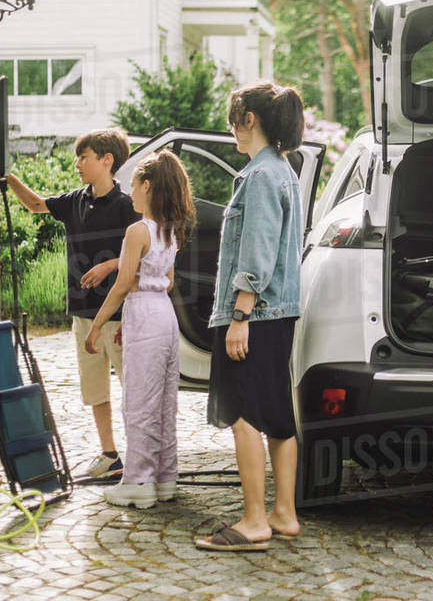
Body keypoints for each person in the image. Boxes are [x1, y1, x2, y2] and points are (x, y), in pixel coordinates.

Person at [195, 81, 305, 553]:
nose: (231, 130)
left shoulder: (260, 176)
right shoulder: (284, 171)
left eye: (233, 121)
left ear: (250, 120)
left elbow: (257, 253)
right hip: (276, 316)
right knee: (279, 417)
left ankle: (254, 521)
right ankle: (284, 514)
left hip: (254, 315)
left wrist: (239, 314)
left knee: (243, 417)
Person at [4, 129, 140, 479]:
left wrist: (111, 266)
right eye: (78, 157)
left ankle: (142, 458)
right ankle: (110, 455)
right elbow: (35, 204)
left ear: (107, 161)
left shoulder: (127, 206)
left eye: (85, 157)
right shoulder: (74, 200)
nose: (77, 164)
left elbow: (143, 258)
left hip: (120, 316)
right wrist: (6, 177)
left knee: (134, 392)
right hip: (83, 315)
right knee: (95, 389)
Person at [84, 150, 193, 508]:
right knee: (163, 401)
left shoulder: (138, 230)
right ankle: (165, 478)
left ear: (148, 186)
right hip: (164, 317)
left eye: (133, 185)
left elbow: (122, 283)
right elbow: (169, 280)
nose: (130, 192)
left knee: (139, 402)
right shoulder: (169, 232)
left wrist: (97, 326)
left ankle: (138, 482)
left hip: (145, 313)